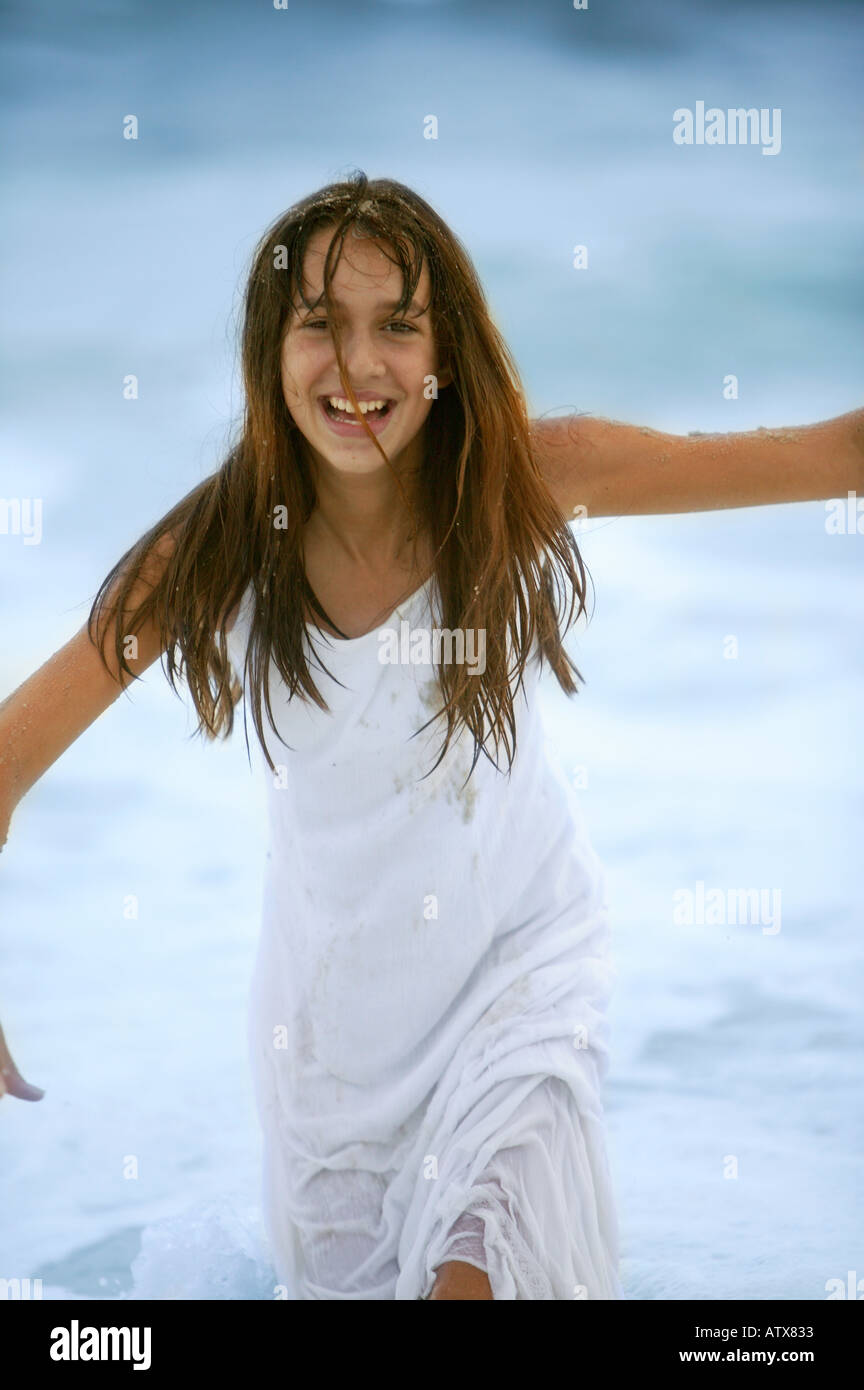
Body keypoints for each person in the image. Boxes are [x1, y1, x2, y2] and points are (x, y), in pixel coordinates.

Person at [1, 173, 861, 1301]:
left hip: (520, 970)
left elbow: (825, 456)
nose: (359, 368)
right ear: (271, 351)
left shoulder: (519, 479)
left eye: (396, 326)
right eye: (321, 324)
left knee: (475, 1275)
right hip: (332, 1043)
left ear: (444, 352)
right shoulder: (218, 551)